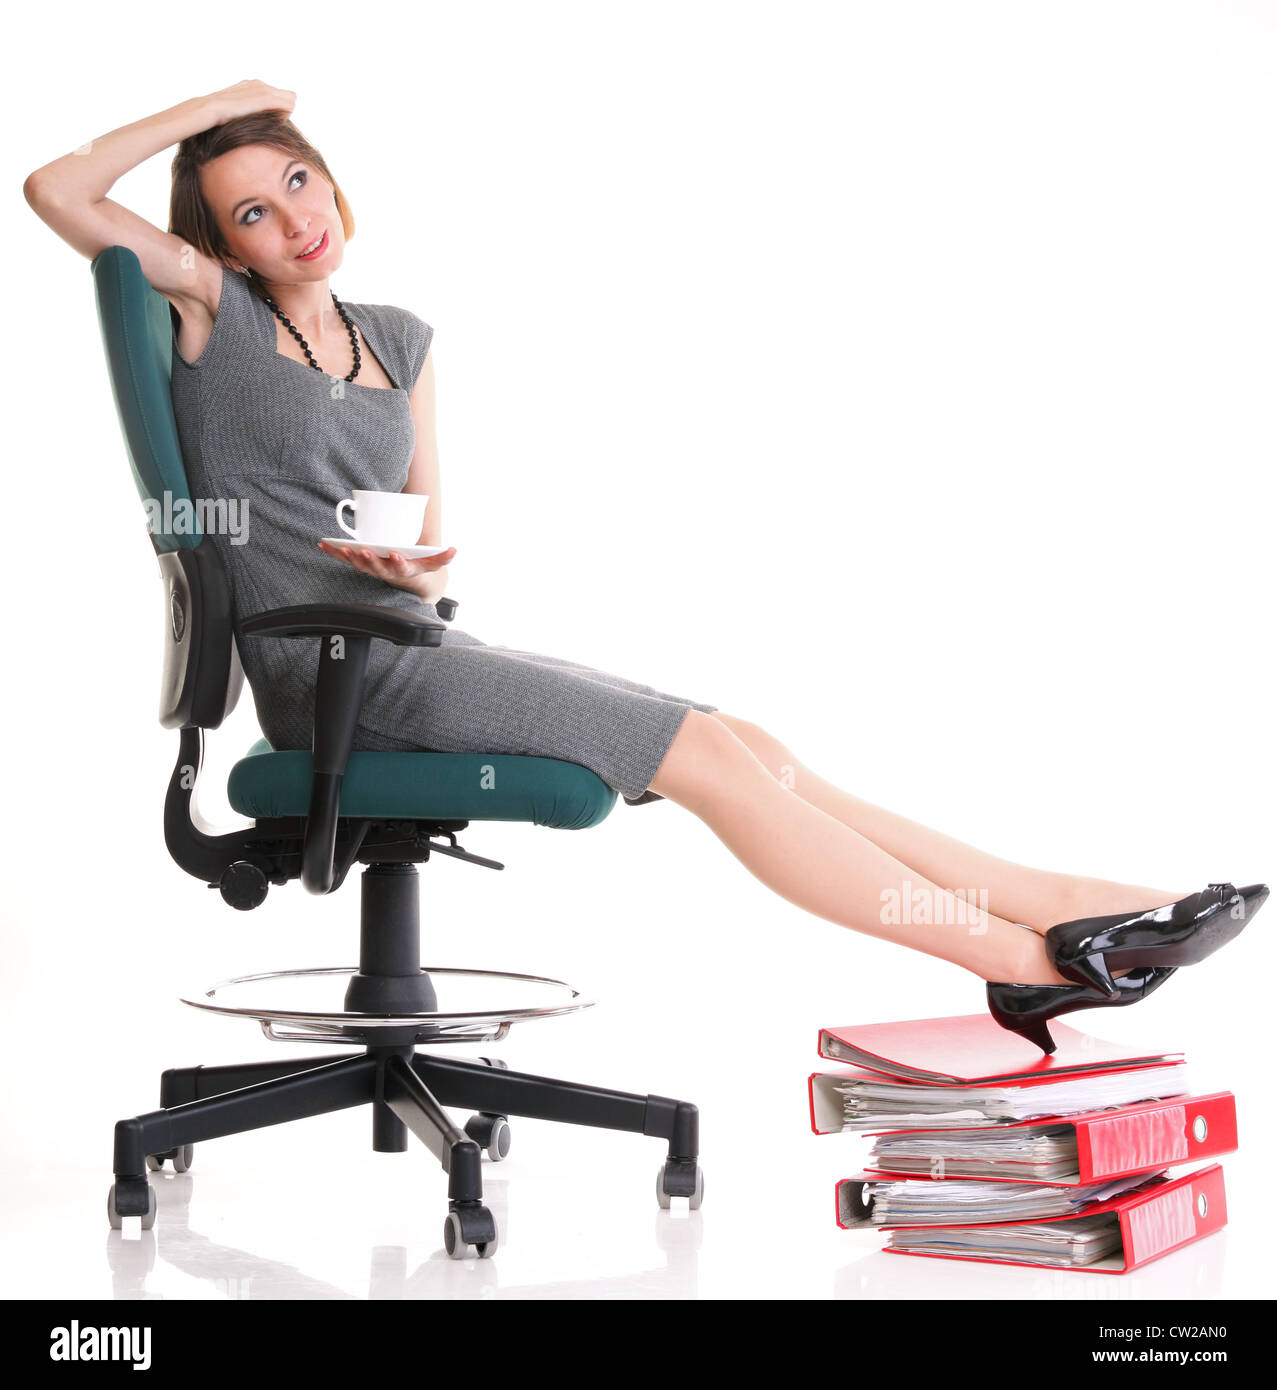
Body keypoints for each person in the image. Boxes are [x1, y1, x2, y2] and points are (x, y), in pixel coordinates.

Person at [25, 80, 1267, 1054]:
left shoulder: (397, 338)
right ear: (221, 240)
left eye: (300, 179)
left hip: (407, 638)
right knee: (715, 761)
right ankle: (1022, 960)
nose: (295, 218)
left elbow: (424, 544)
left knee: (752, 744)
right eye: (253, 208)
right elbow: (59, 185)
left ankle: (1059, 908)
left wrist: (408, 567)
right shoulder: (212, 308)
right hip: (323, 671)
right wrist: (221, 108)